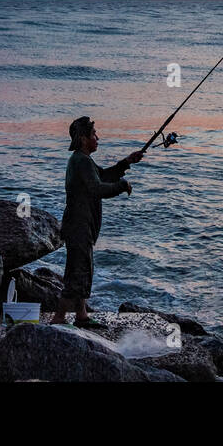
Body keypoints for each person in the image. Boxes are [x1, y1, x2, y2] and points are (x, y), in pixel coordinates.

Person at [49, 116, 142, 327]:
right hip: (78, 226)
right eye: (94, 134)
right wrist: (122, 186)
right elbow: (98, 188)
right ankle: (59, 317)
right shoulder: (80, 161)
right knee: (76, 272)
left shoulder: (82, 160)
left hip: (81, 225)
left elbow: (103, 175)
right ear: (83, 139)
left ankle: (81, 315)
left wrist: (127, 162)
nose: (97, 138)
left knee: (81, 268)